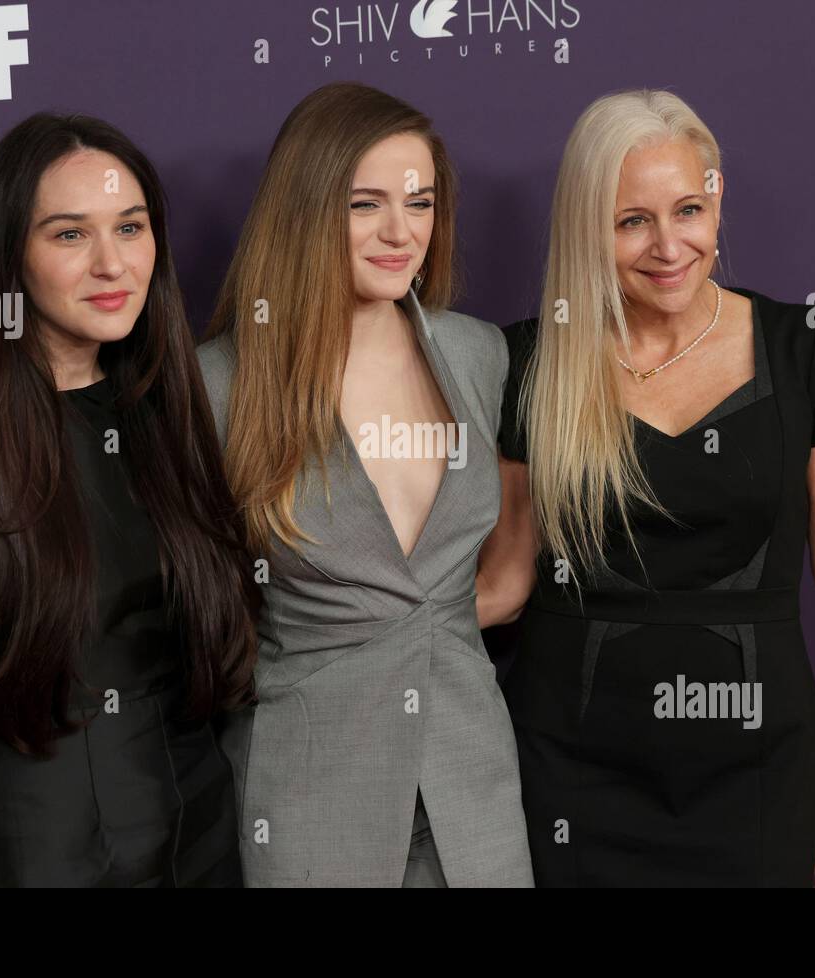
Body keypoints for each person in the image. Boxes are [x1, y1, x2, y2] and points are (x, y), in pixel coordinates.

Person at [0, 113, 258, 887]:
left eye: (130, 227)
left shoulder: (161, 398)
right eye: (69, 235)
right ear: (11, 256)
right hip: (30, 855)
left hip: (195, 838)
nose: (111, 263)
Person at [477, 89, 815, 887]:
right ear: (587, 225)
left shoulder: (803, 351)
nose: (669, 246)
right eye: (632, 220)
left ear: (718, 197)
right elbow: (507, 578)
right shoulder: (528, 363)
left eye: (688, 209)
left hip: (759, 773)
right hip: (570, 773)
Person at [196, 82, 533, 886]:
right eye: (365, 203)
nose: (400, 231)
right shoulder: (218, 385)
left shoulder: (480, 356)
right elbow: (164, 590)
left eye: (420, 202)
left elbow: (499, 577)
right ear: (307, 207)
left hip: (472, 790)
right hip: (309, 793)